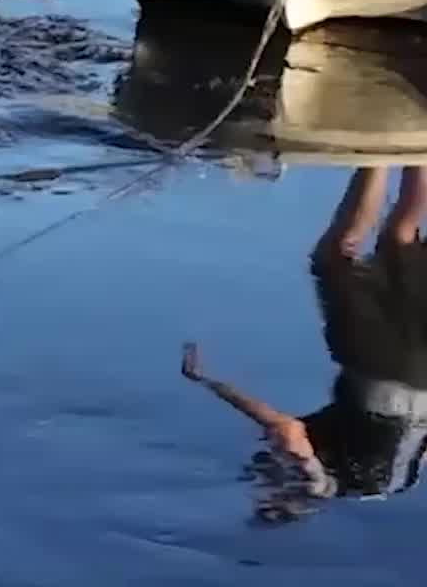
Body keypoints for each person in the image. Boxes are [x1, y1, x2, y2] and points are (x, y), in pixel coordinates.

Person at [182, 165, 427, 521]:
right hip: (379, 365)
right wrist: (210, 382)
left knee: (401, 238)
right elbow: (286, 428)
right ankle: (377, 155)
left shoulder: (394, 485)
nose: (262, 475)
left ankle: (417, 145)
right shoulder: (313, 478)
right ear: (289, 500)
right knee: (334, 257)